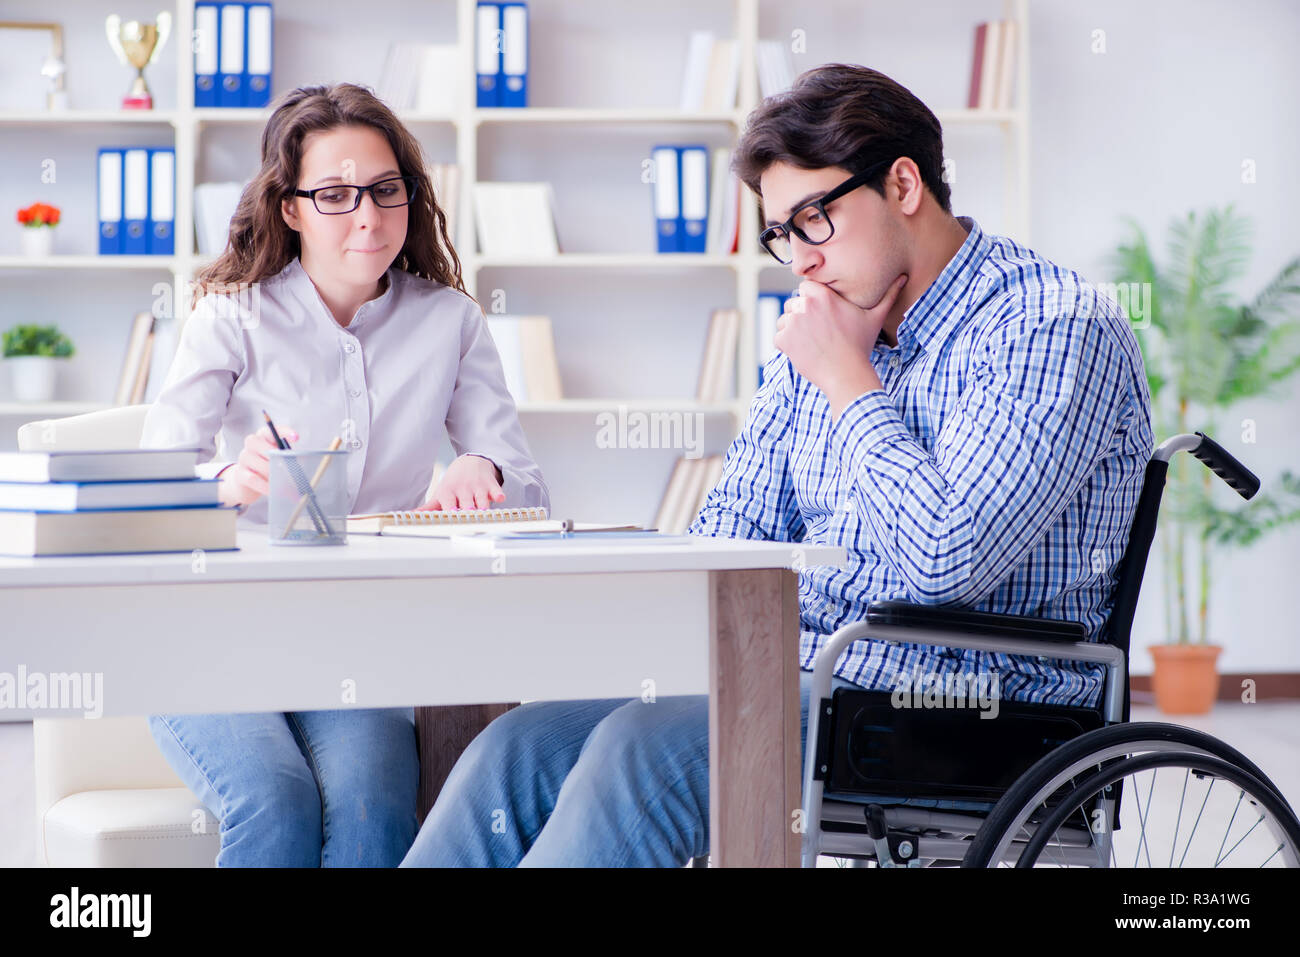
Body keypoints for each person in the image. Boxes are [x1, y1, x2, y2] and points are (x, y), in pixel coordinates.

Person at [399, 63, 1153, 868]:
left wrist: (849, 384)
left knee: (642, 755)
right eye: (779, 234)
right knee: (514, 751)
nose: (798, 259)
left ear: (903, 184)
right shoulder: (828, 333)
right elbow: (731, 534)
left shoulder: (1049, 326)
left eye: (813, 219)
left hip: (978, 704)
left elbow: (947, 557)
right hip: (809, 673)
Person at [140, 82, 548, 866]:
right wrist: (228, 481)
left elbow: (529, 488)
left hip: (354, 644)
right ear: (289, 207)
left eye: (385, 190)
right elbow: (152, 483)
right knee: (276, 799)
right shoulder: (232, 312)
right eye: (334, 194)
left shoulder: (449, 321)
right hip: (208, 634)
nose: (367, 215)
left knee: (374, 811)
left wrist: (481, 468)